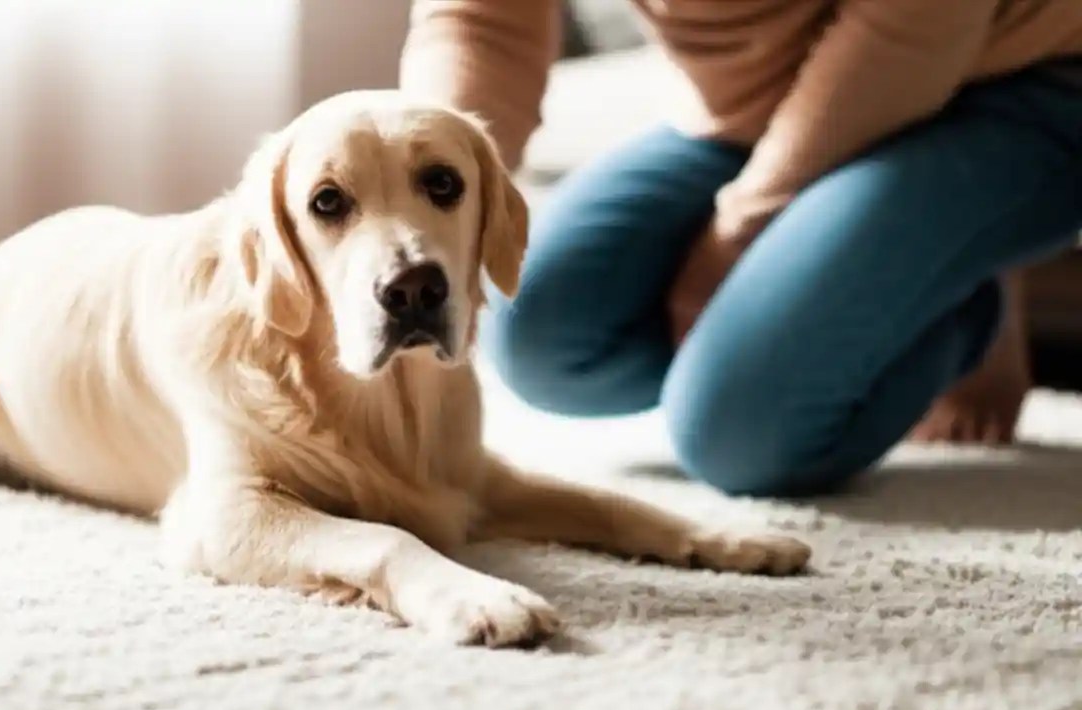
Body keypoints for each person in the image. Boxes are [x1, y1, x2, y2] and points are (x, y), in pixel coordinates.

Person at [399, 0, 1082, 497]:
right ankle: (883, 245)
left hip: (1024, 76)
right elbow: (480, 22)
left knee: (741, 434)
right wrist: (425, 209)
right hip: (756, 104)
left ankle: (965, 295)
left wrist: (739, 230)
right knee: (540, 336)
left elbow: (911, 29)